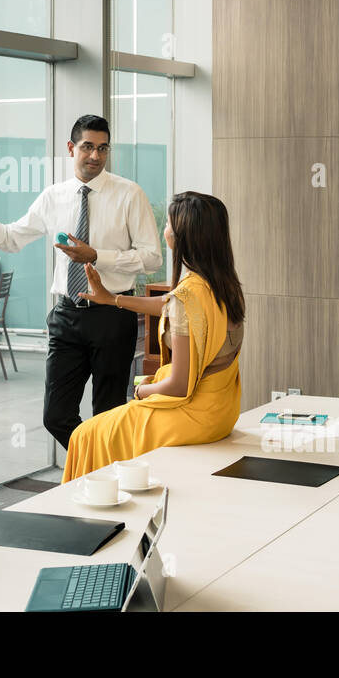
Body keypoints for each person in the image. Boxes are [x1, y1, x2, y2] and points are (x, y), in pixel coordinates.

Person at [0, 114, 162, 448]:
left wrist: (97, 256)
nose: (95, 156)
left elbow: (152, 257)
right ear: (71, 148)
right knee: (55, 416)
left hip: (112, 316)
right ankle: (95, 465)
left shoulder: (129, 194)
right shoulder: (53, 196)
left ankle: (101, 484)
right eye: (88, 147)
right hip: (66, 316)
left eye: (103, 149)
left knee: (109, 414)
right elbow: (9, 238)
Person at [62, 191, 245, 482]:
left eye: (169, 225)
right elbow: (170, 305)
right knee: (107, 425)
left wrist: (141, 392)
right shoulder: (222, 284)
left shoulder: (189, 295)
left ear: (185, 236)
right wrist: (113, 300)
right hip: (222, 410)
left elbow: (180, 384)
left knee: (86, 434)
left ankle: (87, 512)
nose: (165, 230)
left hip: (196, 416)